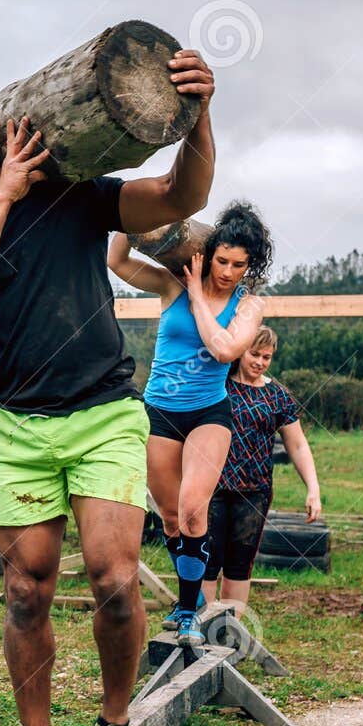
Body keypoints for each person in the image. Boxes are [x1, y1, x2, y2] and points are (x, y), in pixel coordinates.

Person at [0, 48, 216, 726]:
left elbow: (183, 191)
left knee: (113, 580)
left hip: (103, 414)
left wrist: (197, 117)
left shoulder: (74, 196)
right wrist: (0, 196)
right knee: (24, 590)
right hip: (15, 429)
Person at [106, 202, 270, 647]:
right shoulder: (169, 284)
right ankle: (188, 604)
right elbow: (116, 261)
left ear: (249, 266)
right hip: (160, 410)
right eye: (222, 261)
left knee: (195, 506)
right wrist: (128, 213)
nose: (229, 272)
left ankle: (189, 612)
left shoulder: (248, 306)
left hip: (209, 414)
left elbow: (224, 350)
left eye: (240, 265)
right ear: (207, 253)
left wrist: (199, 296)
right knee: (174, 518)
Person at [203, 327, 322, 607]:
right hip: (211, 488)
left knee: (240, 564)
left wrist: (313, 488)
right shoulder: (216, 386)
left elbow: (298, 445)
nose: (259, 362)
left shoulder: (277, 395)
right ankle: (199, 631)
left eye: (266, 357)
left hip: (254, 492)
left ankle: (229, 633)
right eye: (254, 354)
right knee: (207, 560)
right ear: (240, 350)